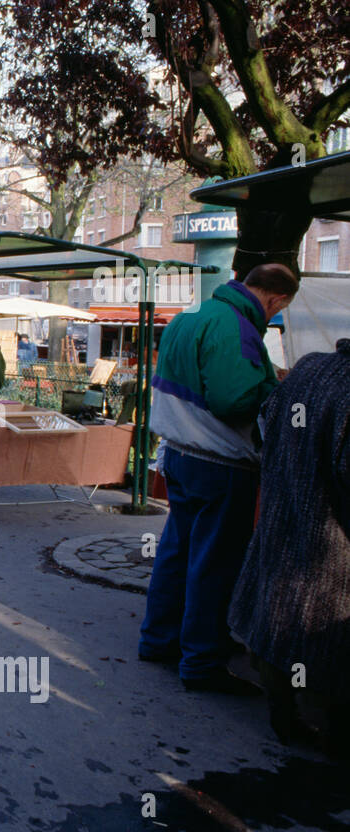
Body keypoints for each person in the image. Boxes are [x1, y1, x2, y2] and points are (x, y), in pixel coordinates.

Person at [138, 263, 296, 695]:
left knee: (176, 553)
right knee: (214, 563)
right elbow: (233, 400)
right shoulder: (238, 327)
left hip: (180, 454)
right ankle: (202, 662)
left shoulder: (191, 316)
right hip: (220, 461)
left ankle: (158, 640)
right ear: (276, 299)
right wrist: (275, 387)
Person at [227, 340, 350, 757]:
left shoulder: (309, 368)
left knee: (279, 624)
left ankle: (282, 712)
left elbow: (266, 424)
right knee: (327, 646)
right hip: (330, 545)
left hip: (284, 518)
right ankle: (332, 734)